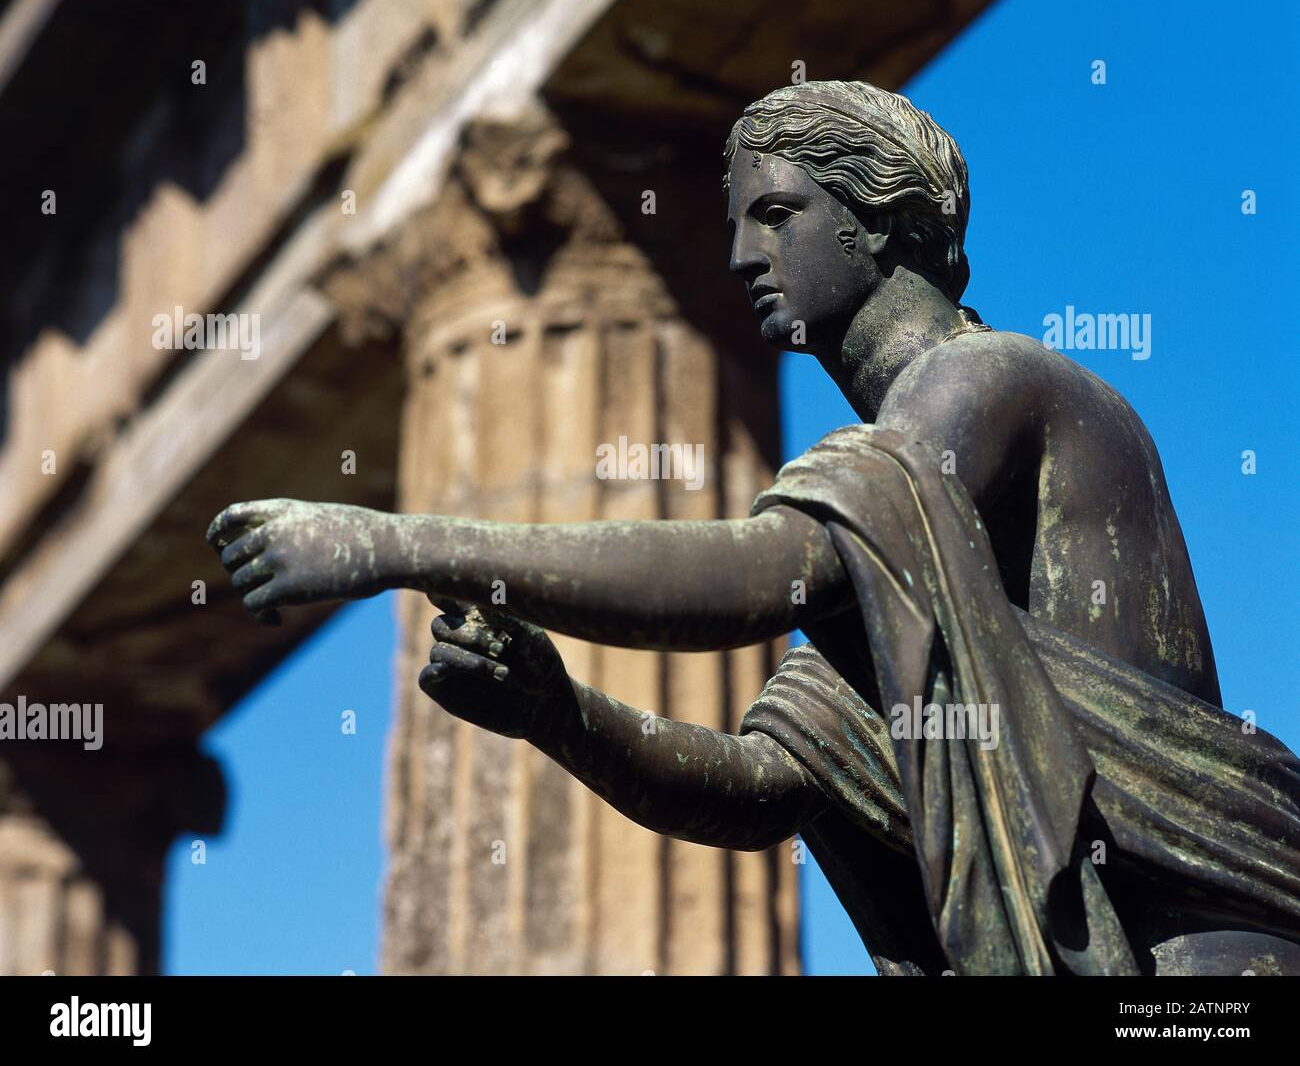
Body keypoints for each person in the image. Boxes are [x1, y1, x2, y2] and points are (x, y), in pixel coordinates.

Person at [208, 81, 1300, 975]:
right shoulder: (901, 534)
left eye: (775, 215)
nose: (737, 254)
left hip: (1199, 961)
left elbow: (763, 571)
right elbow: (768, 784)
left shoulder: (985, 386)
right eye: (735, 222)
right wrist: (560, 712)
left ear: (881, 220)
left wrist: (391, 545)